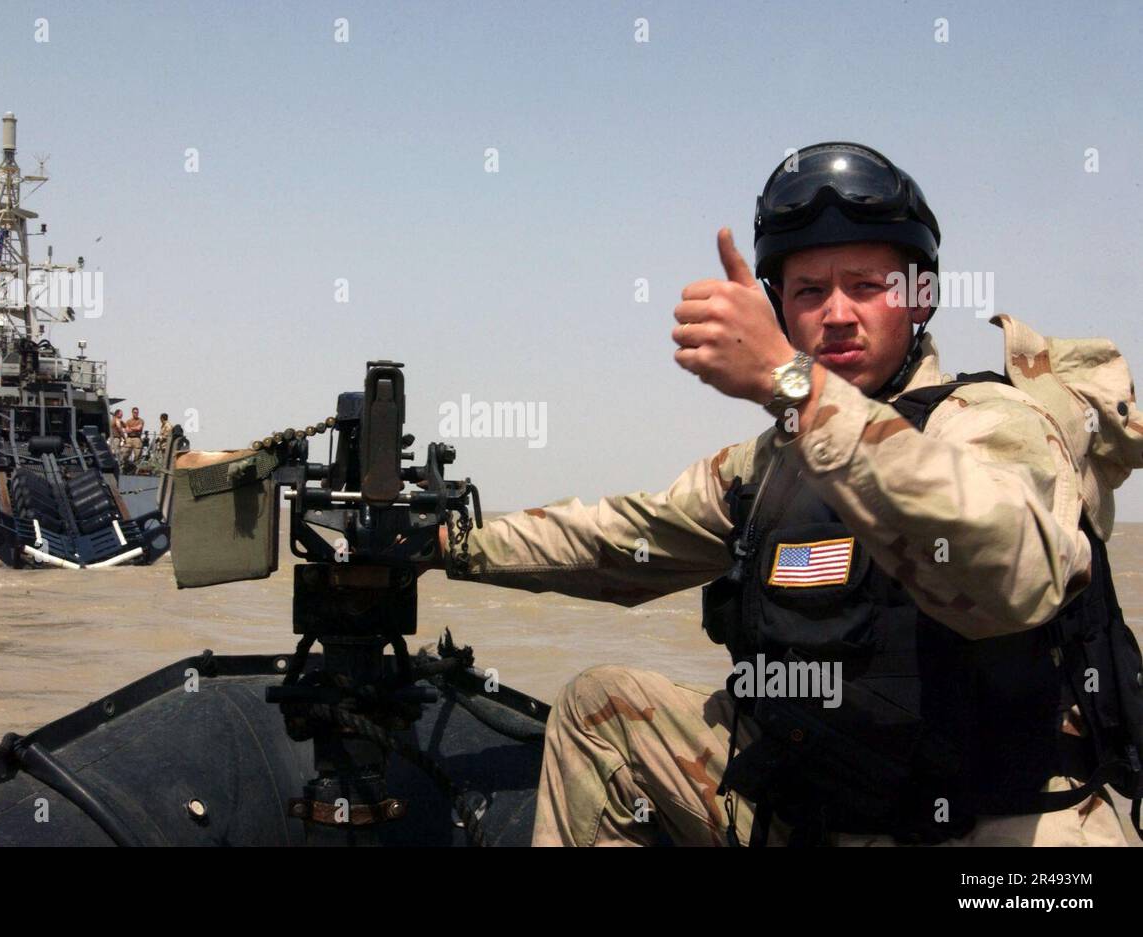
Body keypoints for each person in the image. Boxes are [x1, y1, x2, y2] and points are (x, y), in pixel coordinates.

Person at [438, 142, 1142, 847]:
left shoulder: (995, 421)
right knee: (604, 712)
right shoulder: (771, 464)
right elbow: (622, 537)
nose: (836, 313)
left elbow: (1010, 574)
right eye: (808, 291)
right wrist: (451, 545)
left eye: (866, 285)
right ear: (781, 311)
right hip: (827, 794)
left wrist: (796, 388)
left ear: (919, 298)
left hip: (987, 817)